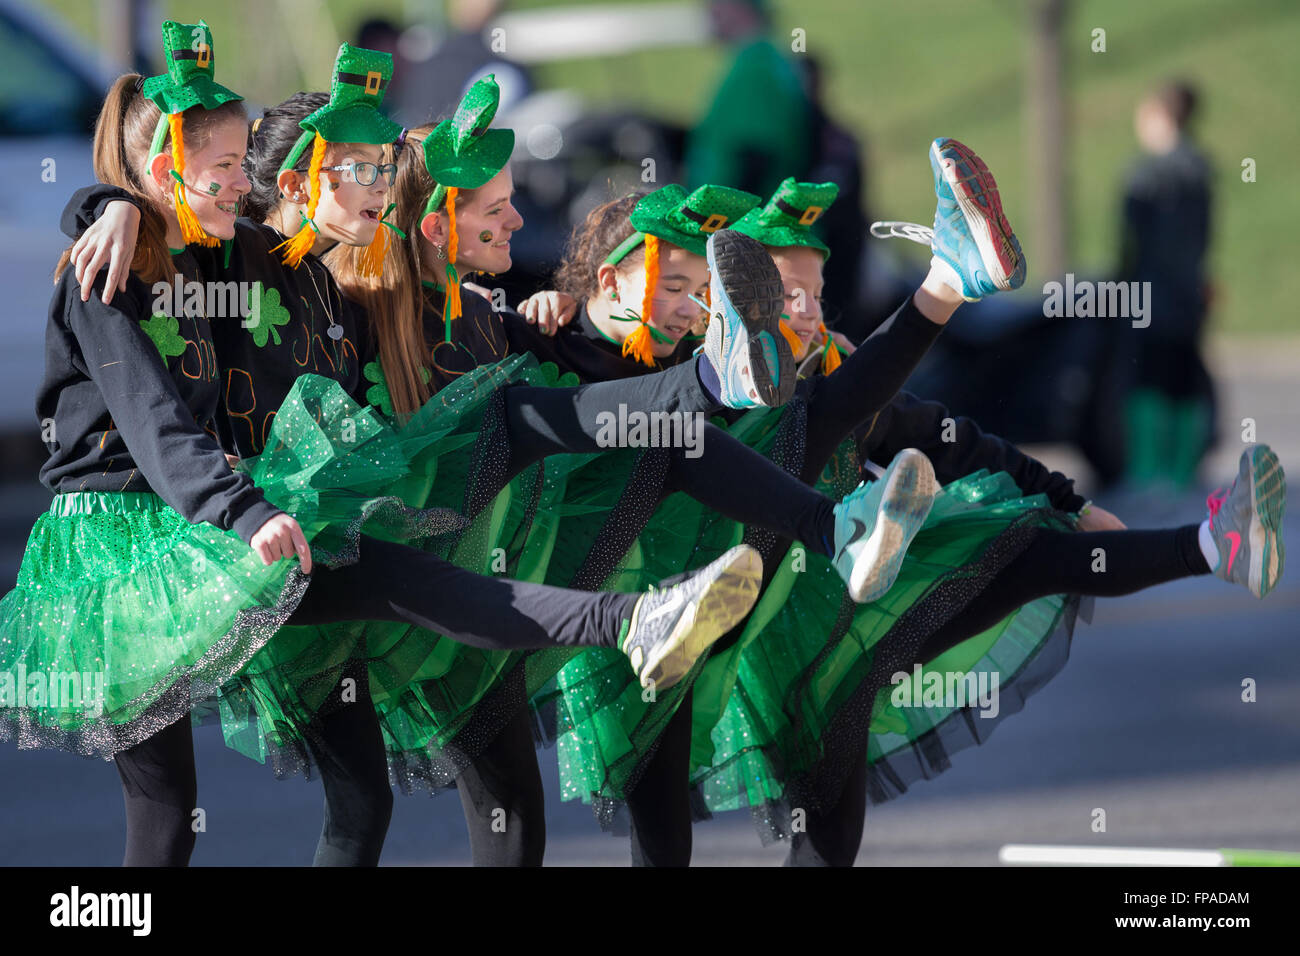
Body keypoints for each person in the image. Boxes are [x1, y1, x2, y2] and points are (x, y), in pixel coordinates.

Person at [1120, 79, 1215, 493]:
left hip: (1151, 292)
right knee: (1185, 375)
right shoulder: (1202, 170)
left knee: (1146, 377)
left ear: (1160, 115)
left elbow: (1134, 244)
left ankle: (1147, 470)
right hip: (1188, 290)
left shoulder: (1146, 175)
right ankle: (1181, 471)